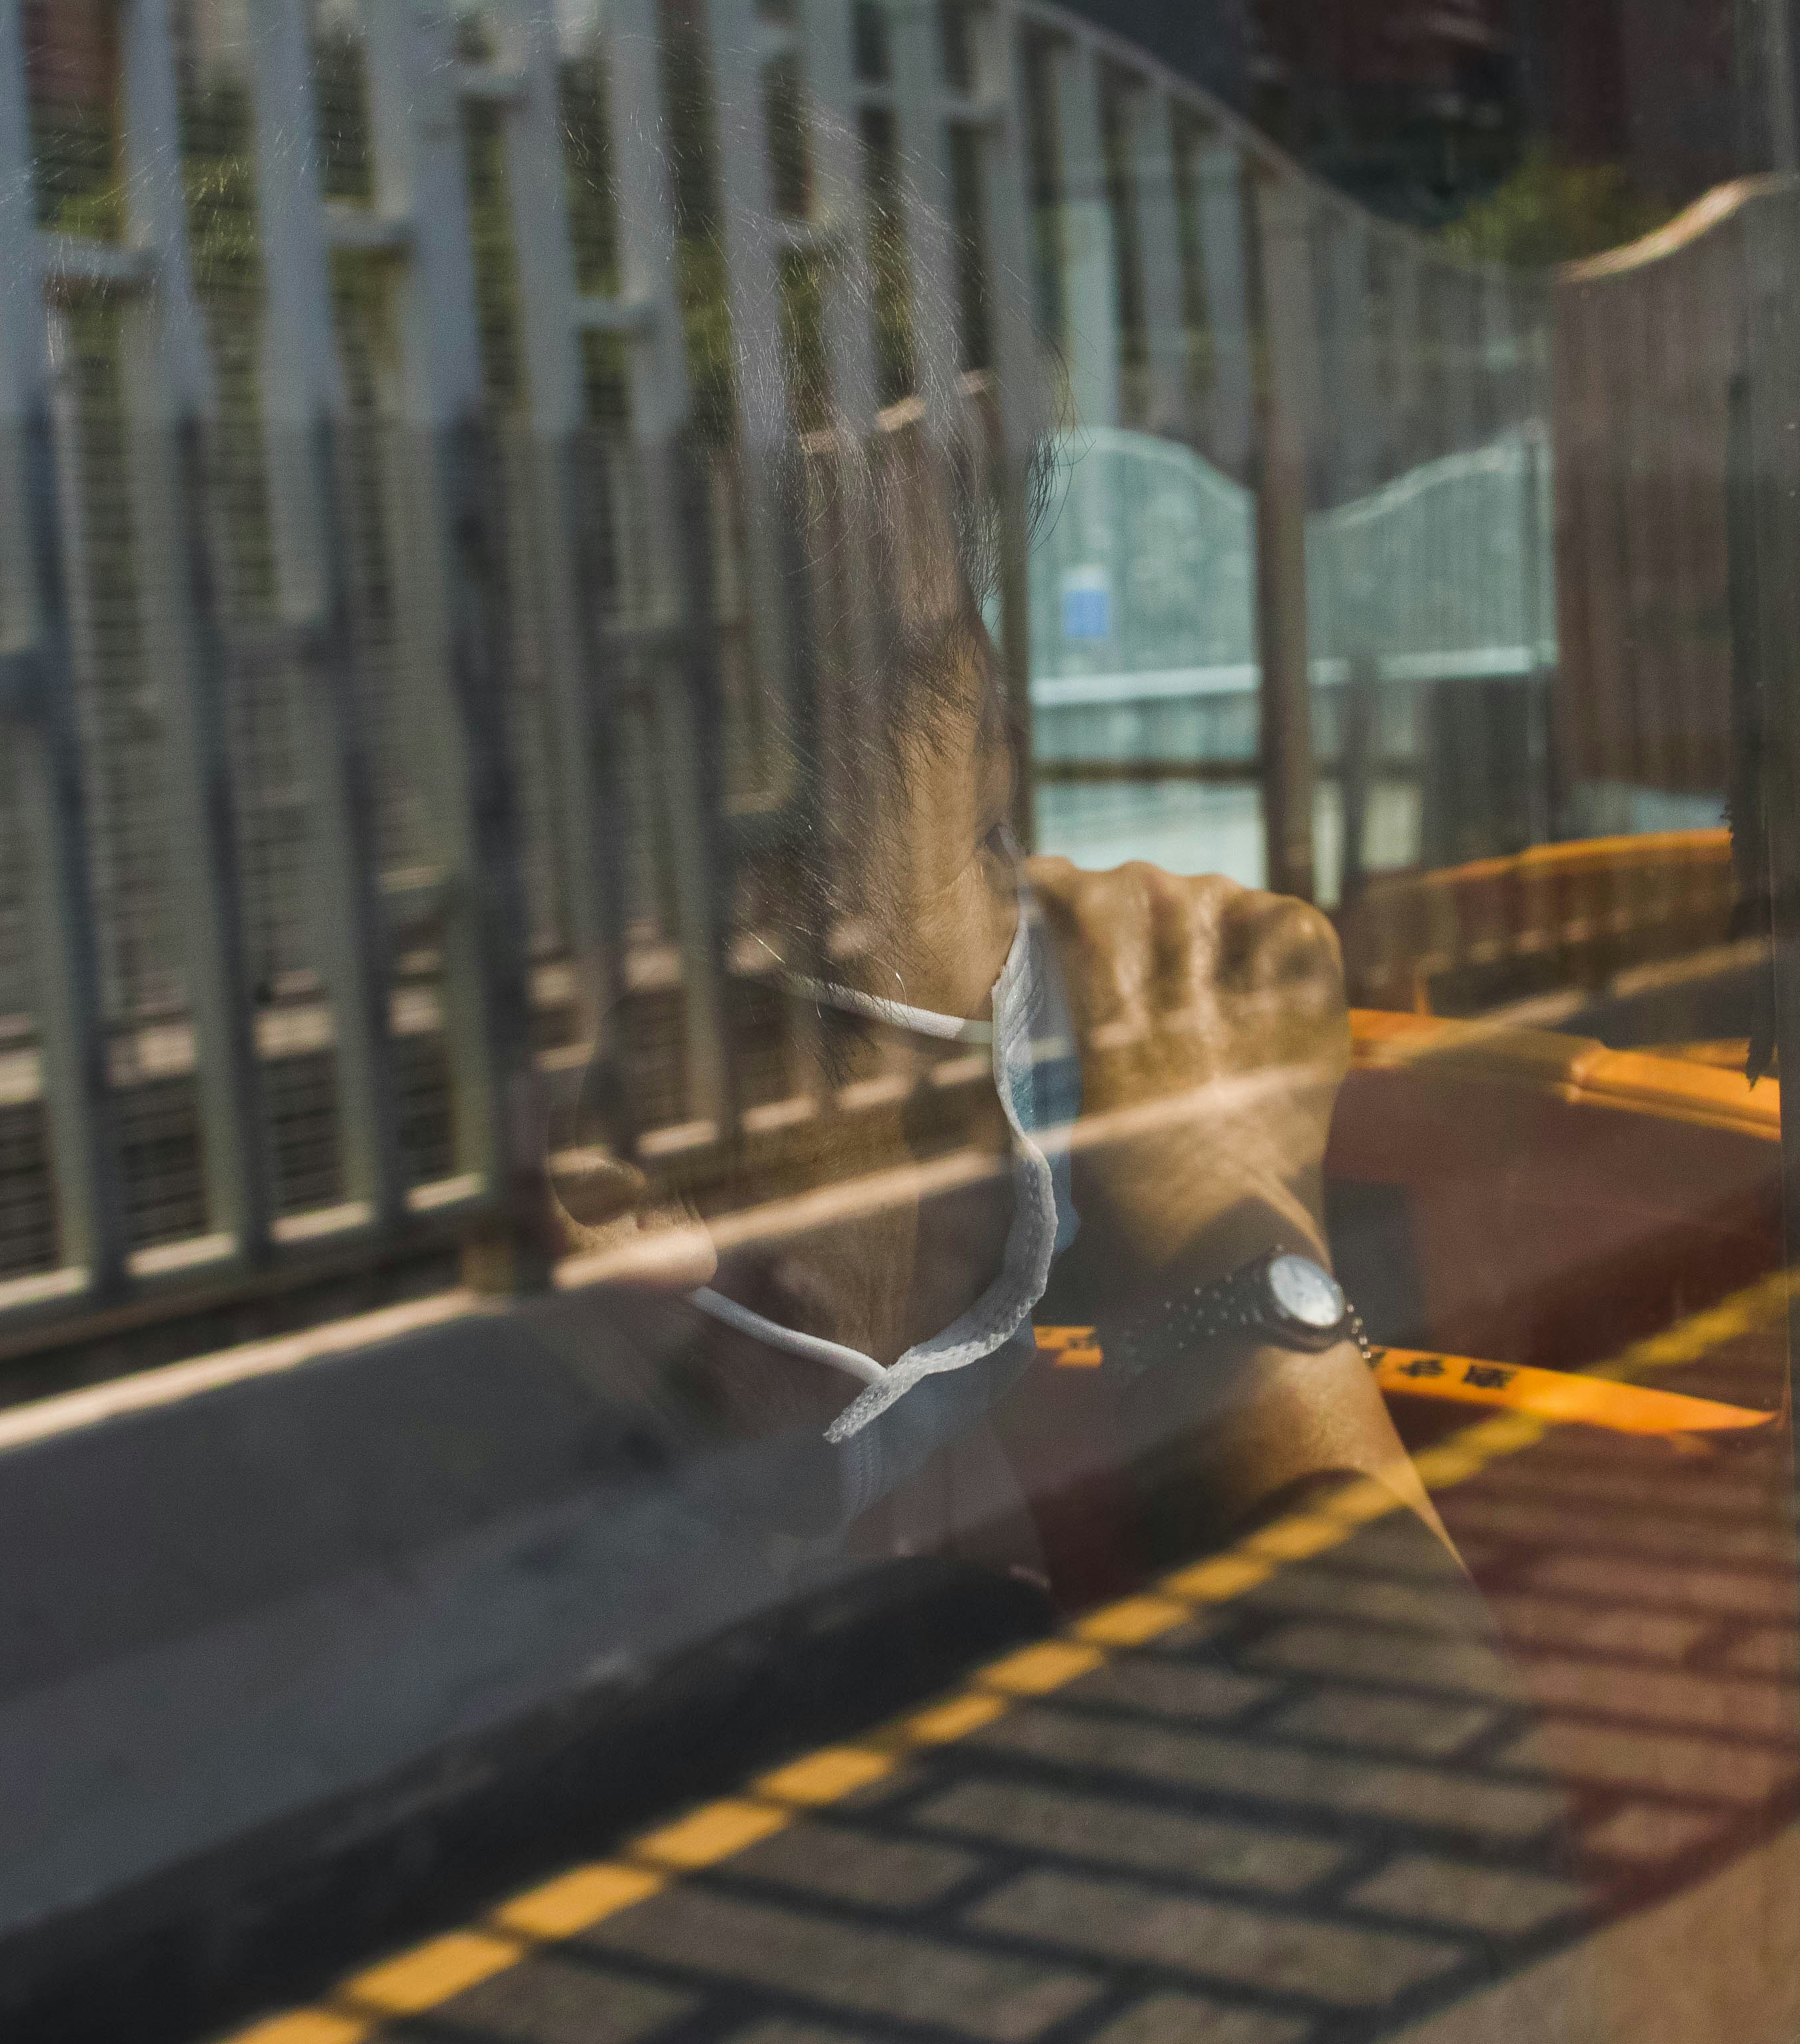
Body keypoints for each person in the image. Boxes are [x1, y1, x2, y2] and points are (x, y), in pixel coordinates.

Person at [554, 420, 1450, 1601]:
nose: (1046, 922)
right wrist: (1221, 1216)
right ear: (608, 1182)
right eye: (981, 849)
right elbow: (1415, 1763)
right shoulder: (813, 1665)